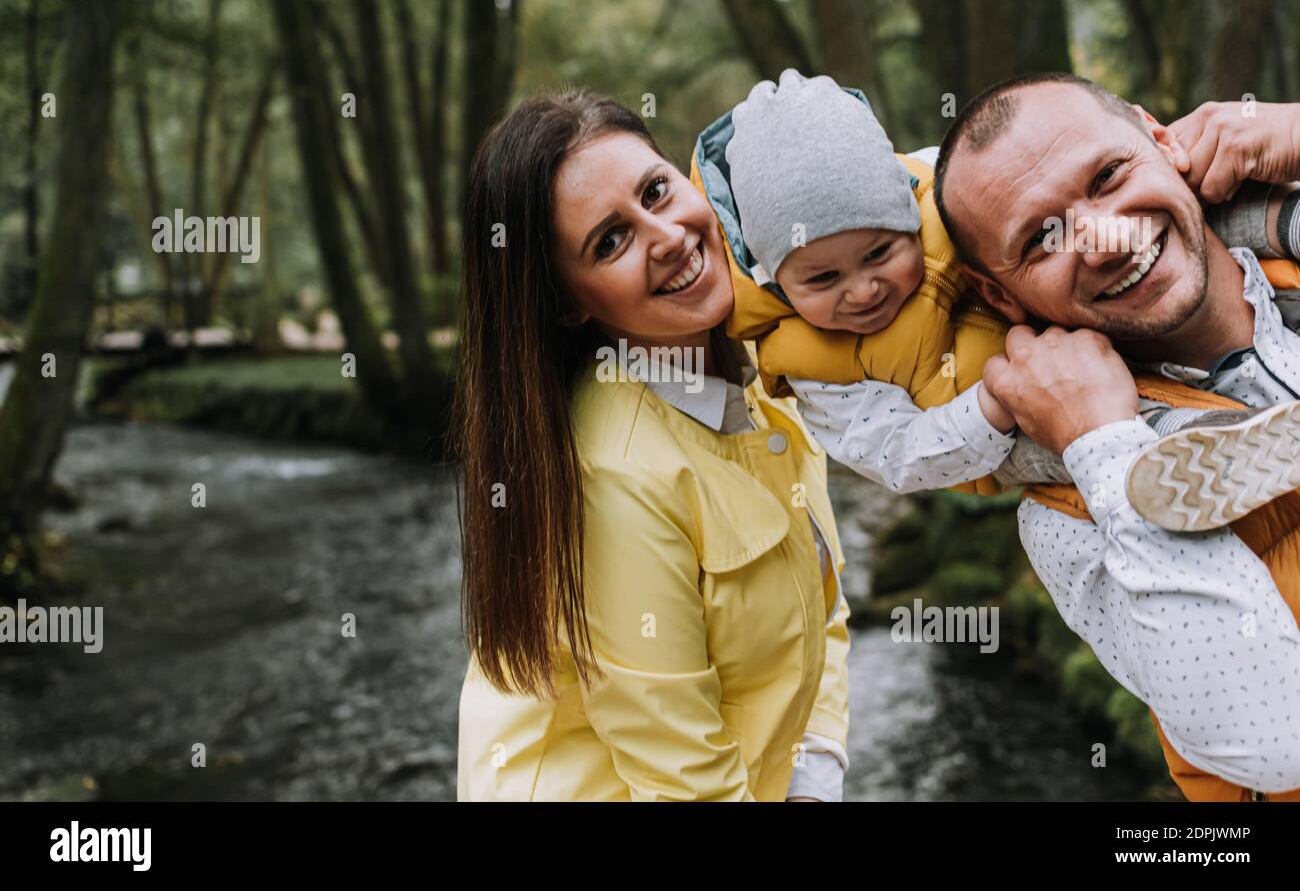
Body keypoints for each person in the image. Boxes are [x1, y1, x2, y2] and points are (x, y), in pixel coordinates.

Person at [820, 72, 1300, 799]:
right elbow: (1275, 739)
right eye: (1044, 238)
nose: (1105, 240)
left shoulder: (1283, 227)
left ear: (1161, 139)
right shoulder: (1069, 510)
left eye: (1109, 175)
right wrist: (1105, 443)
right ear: (1002, 296)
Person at [453, 89, 851, 801]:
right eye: (611, 240)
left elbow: (822, 609)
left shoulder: (764, 372)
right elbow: (681, 785)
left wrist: (816, 778)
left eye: (656, 191)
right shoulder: (612, 475)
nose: (666, 236)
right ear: (571, 303)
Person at [699, 68, 1294, 532]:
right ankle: (1197, 447)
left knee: (1181, 204)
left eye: (879, 254)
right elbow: (898, 455)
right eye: (822, 281)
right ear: (779, 282)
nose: (862, 289)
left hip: (1057, 310)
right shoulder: (821, 378)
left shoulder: (950, 187)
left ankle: (1286, 219)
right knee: (1065, 422)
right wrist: (990, 408)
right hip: (1000, 423)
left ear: (909, 213)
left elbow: (1033, 147)